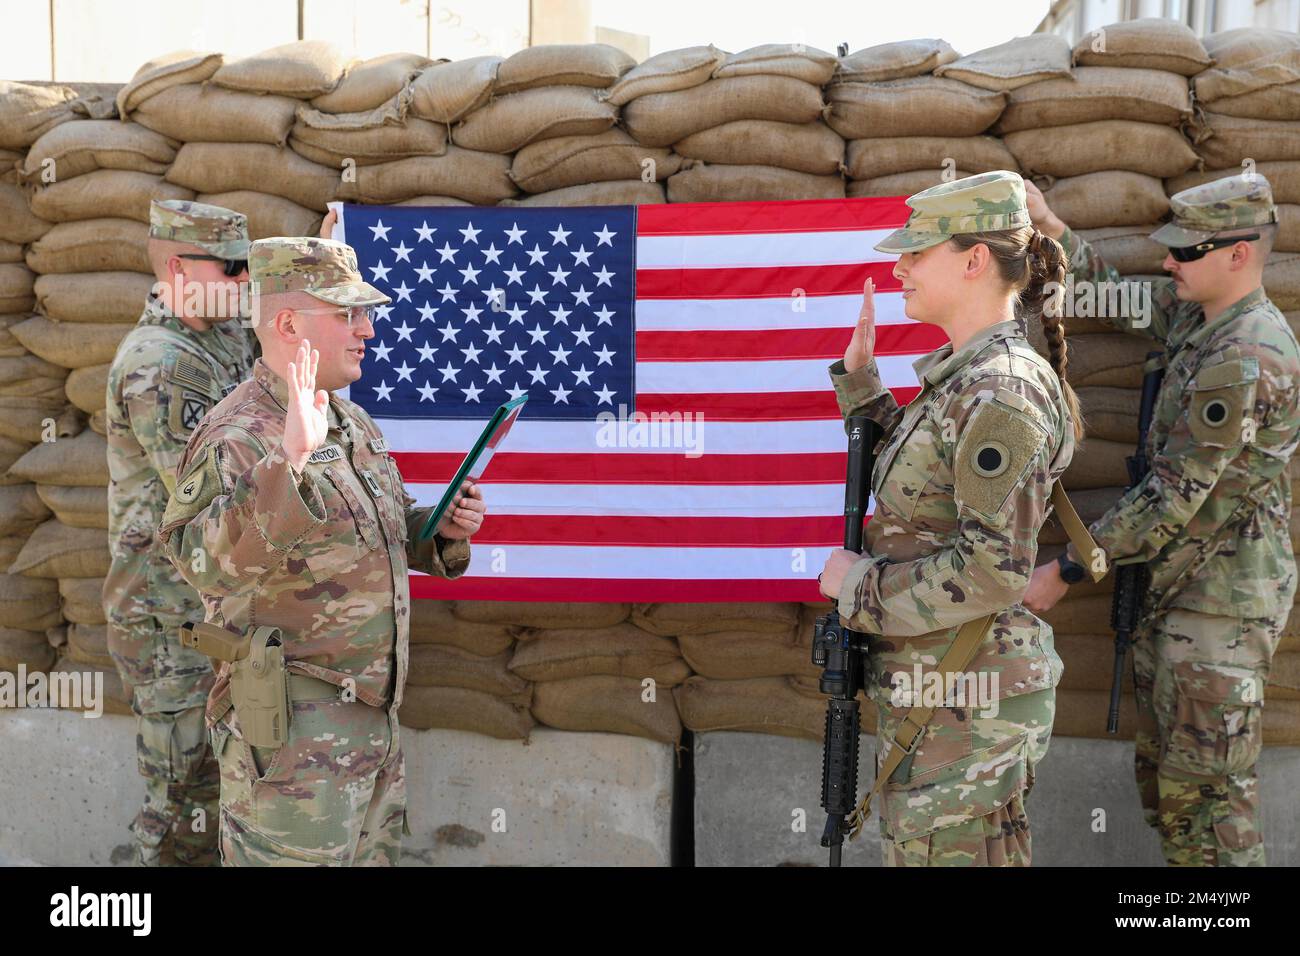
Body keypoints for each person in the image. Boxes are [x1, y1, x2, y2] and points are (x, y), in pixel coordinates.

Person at [156, 236, 485, 865]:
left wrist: (435, 531)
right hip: (290, 745)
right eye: (347, 314)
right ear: (286, 324)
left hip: (372, 723)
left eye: (365, 314)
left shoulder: (347, 420)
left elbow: (367, 531)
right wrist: (290, 461)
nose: (367, 330)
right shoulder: (238, 433)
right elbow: (203, 566)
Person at [1022, 173, 1300, 866]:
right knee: (1174, 796)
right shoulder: (1200, 319)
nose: (1169, 261)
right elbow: (1123, 300)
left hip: (1219, 613)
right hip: (1180, 598)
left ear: (1240, 254)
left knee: (1213, 808)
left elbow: (1175, 492)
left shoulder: (1245, 355)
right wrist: (1053, 230)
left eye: (1186, 250)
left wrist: (1065, 567)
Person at [817, 170, 1092, 866]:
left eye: (918, 251)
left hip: (969, 710)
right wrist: (865, 390)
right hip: (944, 698)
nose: (899, 266)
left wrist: (859, 589)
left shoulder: (998, 390)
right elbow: (930, 497)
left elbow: (992, 571)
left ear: (974, 260)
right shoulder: (968, 379)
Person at [104, 199, 255, 866]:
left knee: (219, 797)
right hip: (168, 615)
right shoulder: (160, 365)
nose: (245, 279)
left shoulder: (220, 335)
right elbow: (210, 499)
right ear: (177, 267)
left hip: (215, 609)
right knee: (178, 795)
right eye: (232, 266)